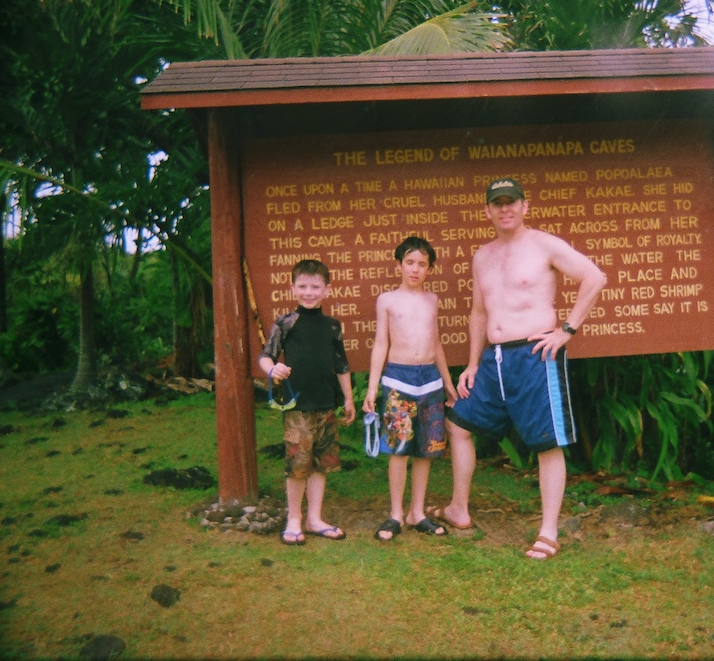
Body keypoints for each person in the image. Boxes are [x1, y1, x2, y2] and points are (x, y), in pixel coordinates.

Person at [430, 177, 606, 559]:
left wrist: (567, 330)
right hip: (493, 360)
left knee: (546, 442)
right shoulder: (483, 255)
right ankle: (459, 509)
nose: (505, 209)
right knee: (459, 423)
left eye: (512, 202)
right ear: (488, 211)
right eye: (498, 204)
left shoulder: (544, 245)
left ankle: (548, 531)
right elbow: (478, 311)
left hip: (535, 355)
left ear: (525, 207)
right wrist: (473, 362)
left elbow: (594, 277)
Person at [363, 236, 458, 541]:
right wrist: (372, 386)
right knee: (398, 449)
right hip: (397, 381)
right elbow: (381, 343)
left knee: (426, 450)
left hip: (429, 380)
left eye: (422, 264)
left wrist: (448, 382)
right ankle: (394, 513)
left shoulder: (433, 300)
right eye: (410, 263)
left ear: (430, 269)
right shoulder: (387, 300)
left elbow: (437, 342)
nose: (415, 269)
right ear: (399, 265)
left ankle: (416, 512)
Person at [259, 259, 356, 545]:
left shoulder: (332, 326)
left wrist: (348, 398)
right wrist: (272, 369)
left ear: (327, 289)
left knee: (321, 464)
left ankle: (314, 518)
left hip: (326, 405)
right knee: (298, 465)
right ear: (292, 289)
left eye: (315, 287)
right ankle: (294, 520)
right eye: (303, 286)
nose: (309, 292)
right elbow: (266, 355)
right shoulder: (286, 323)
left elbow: (342, 365)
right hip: (296, 407)